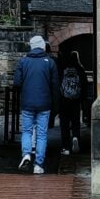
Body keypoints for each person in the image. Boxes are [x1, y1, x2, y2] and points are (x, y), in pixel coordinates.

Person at [13, 34, 60, 174]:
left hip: (27, 102)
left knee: (27, 131)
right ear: (42, 46)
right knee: (41, 134)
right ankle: (38, 164)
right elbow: (55, 86)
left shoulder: (23, 61)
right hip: (45, 103)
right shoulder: (50, 62)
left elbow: (16, 83)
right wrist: (56, 105)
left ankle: (26, 154)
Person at [58, 50, 86, 156]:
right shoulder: (79, 69)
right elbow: (84, 85)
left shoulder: (62, 69)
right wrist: (82, 99)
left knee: (64, 123)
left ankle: (65, 147)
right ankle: (75, 137)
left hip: (64, 100)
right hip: (75, 100)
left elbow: (58, 84)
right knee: (75, 121)